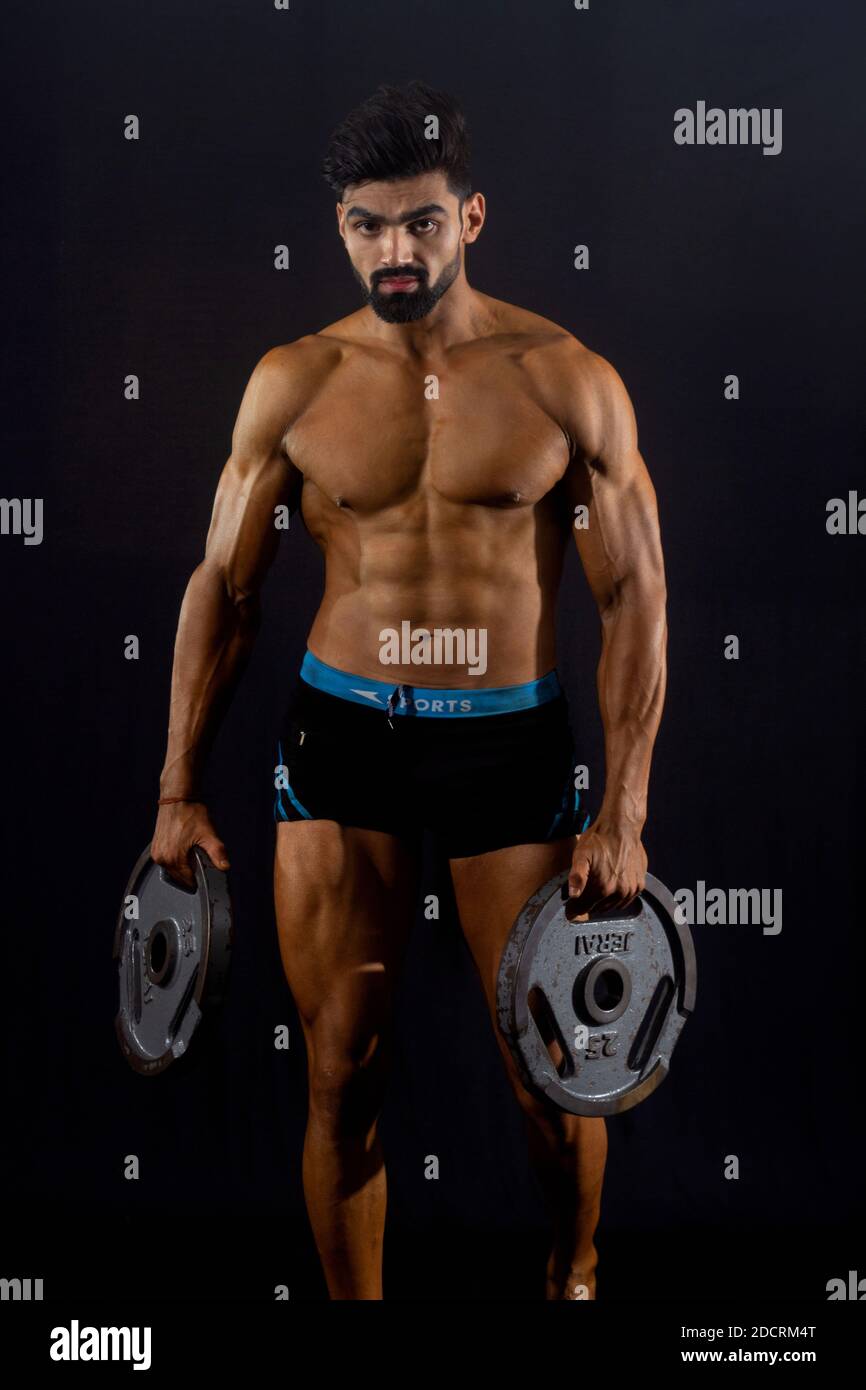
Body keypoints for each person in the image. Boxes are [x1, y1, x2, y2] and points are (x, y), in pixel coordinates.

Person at [151, 80, 668, 1300]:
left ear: (471, 216)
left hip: (509, 750)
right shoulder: (296, 381)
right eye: (369, 225)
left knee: (550, 1068)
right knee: (340, 1065)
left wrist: (625, 810)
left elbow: (634, 596)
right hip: (343, 739)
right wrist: (175, 789)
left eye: (421, 224)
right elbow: (222, 593)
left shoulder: (561, 378)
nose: (395, 250)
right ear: (339, 226)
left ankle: (573, 1269)